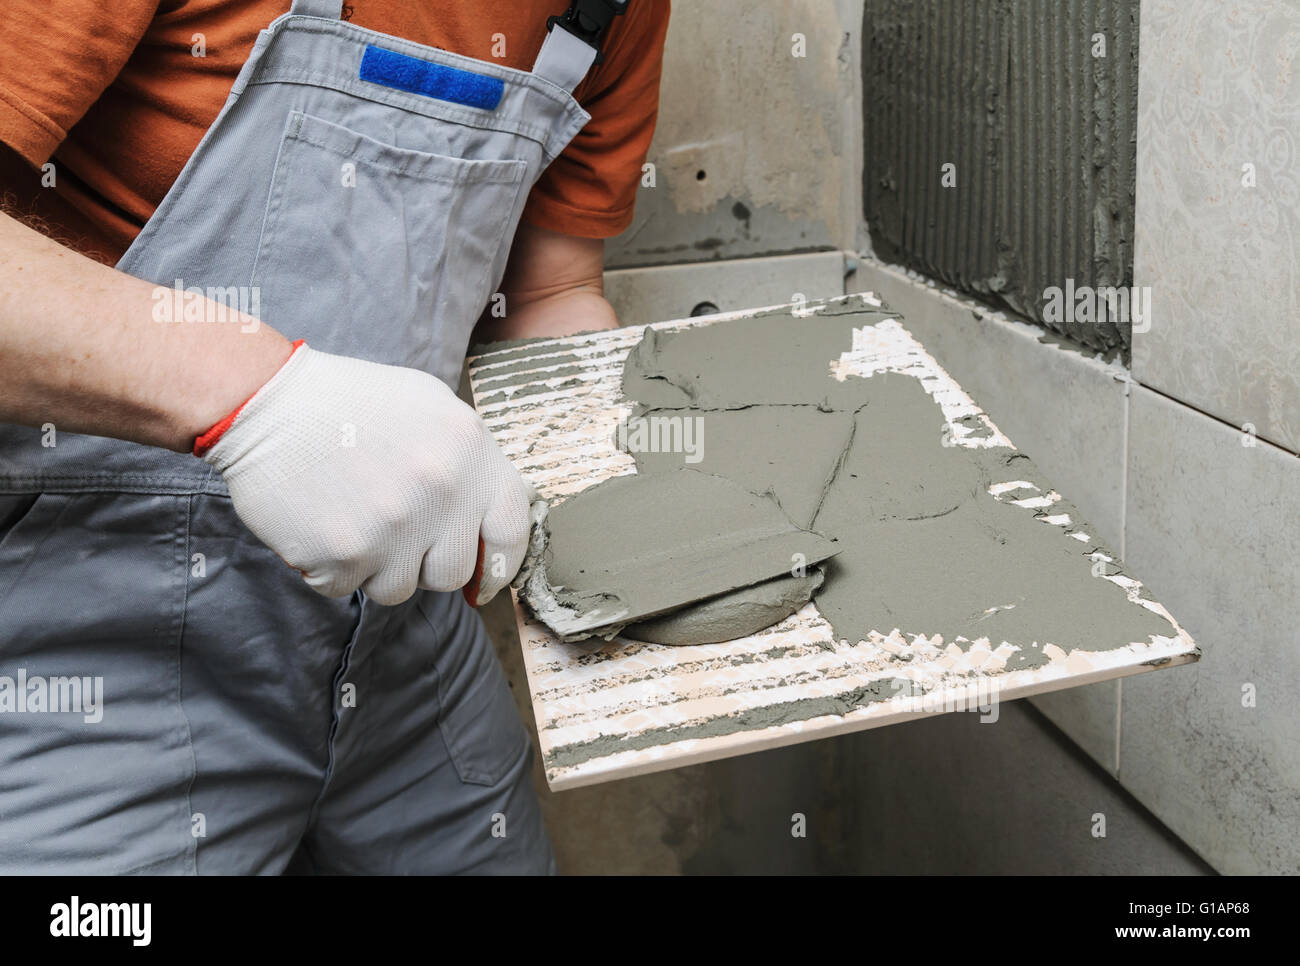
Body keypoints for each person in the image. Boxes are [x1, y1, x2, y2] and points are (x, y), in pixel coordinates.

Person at [0, 0, 668, 874]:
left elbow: (548, 294)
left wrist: (626, 518)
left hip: (406, 630)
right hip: (89, 639)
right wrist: (261, 401)